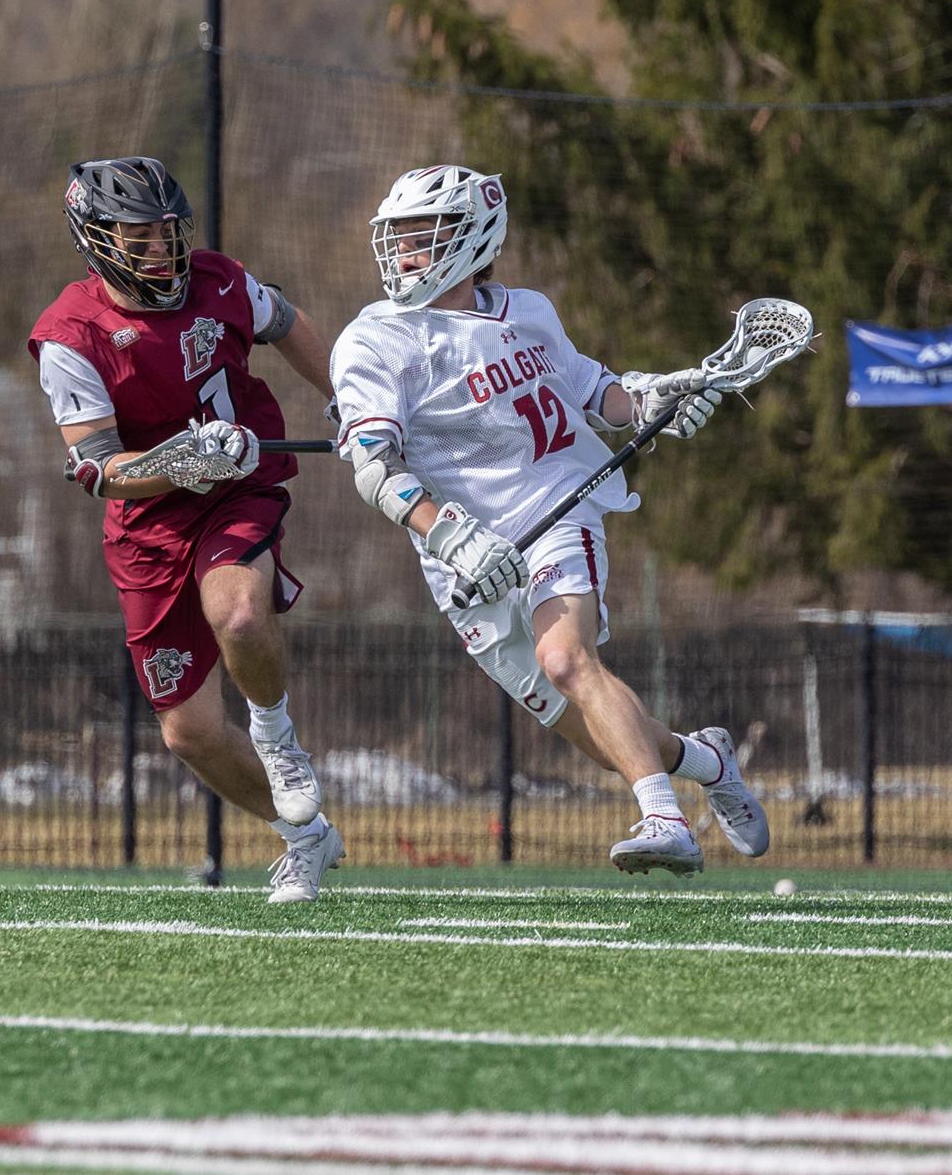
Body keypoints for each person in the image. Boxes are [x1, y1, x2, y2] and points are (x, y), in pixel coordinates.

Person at [329, 164, 771, 876]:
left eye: (422, 237)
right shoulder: (377, 340)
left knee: (565, 658)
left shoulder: (529, 310)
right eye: (398, 238)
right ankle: (707, 758)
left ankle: (665, 816)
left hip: (559, 505)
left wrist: (654, 400)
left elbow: (595, 389)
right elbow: (376, 470)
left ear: (472, 239)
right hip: (464, 554)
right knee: (588, 725)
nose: (404, 253)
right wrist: (448, 534)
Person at [28, 156, 343, 902]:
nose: (162, 251)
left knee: (237, 610)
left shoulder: (222, 280)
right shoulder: (70, 334)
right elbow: (102, 469)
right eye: (140, 237)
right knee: (190, 733)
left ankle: (277, 732)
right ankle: (306, 836)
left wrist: (351, 401)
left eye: (169, 233)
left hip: (240, 486)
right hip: (149, 524)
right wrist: (180, 457)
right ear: (97, 238)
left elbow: (288, 322)